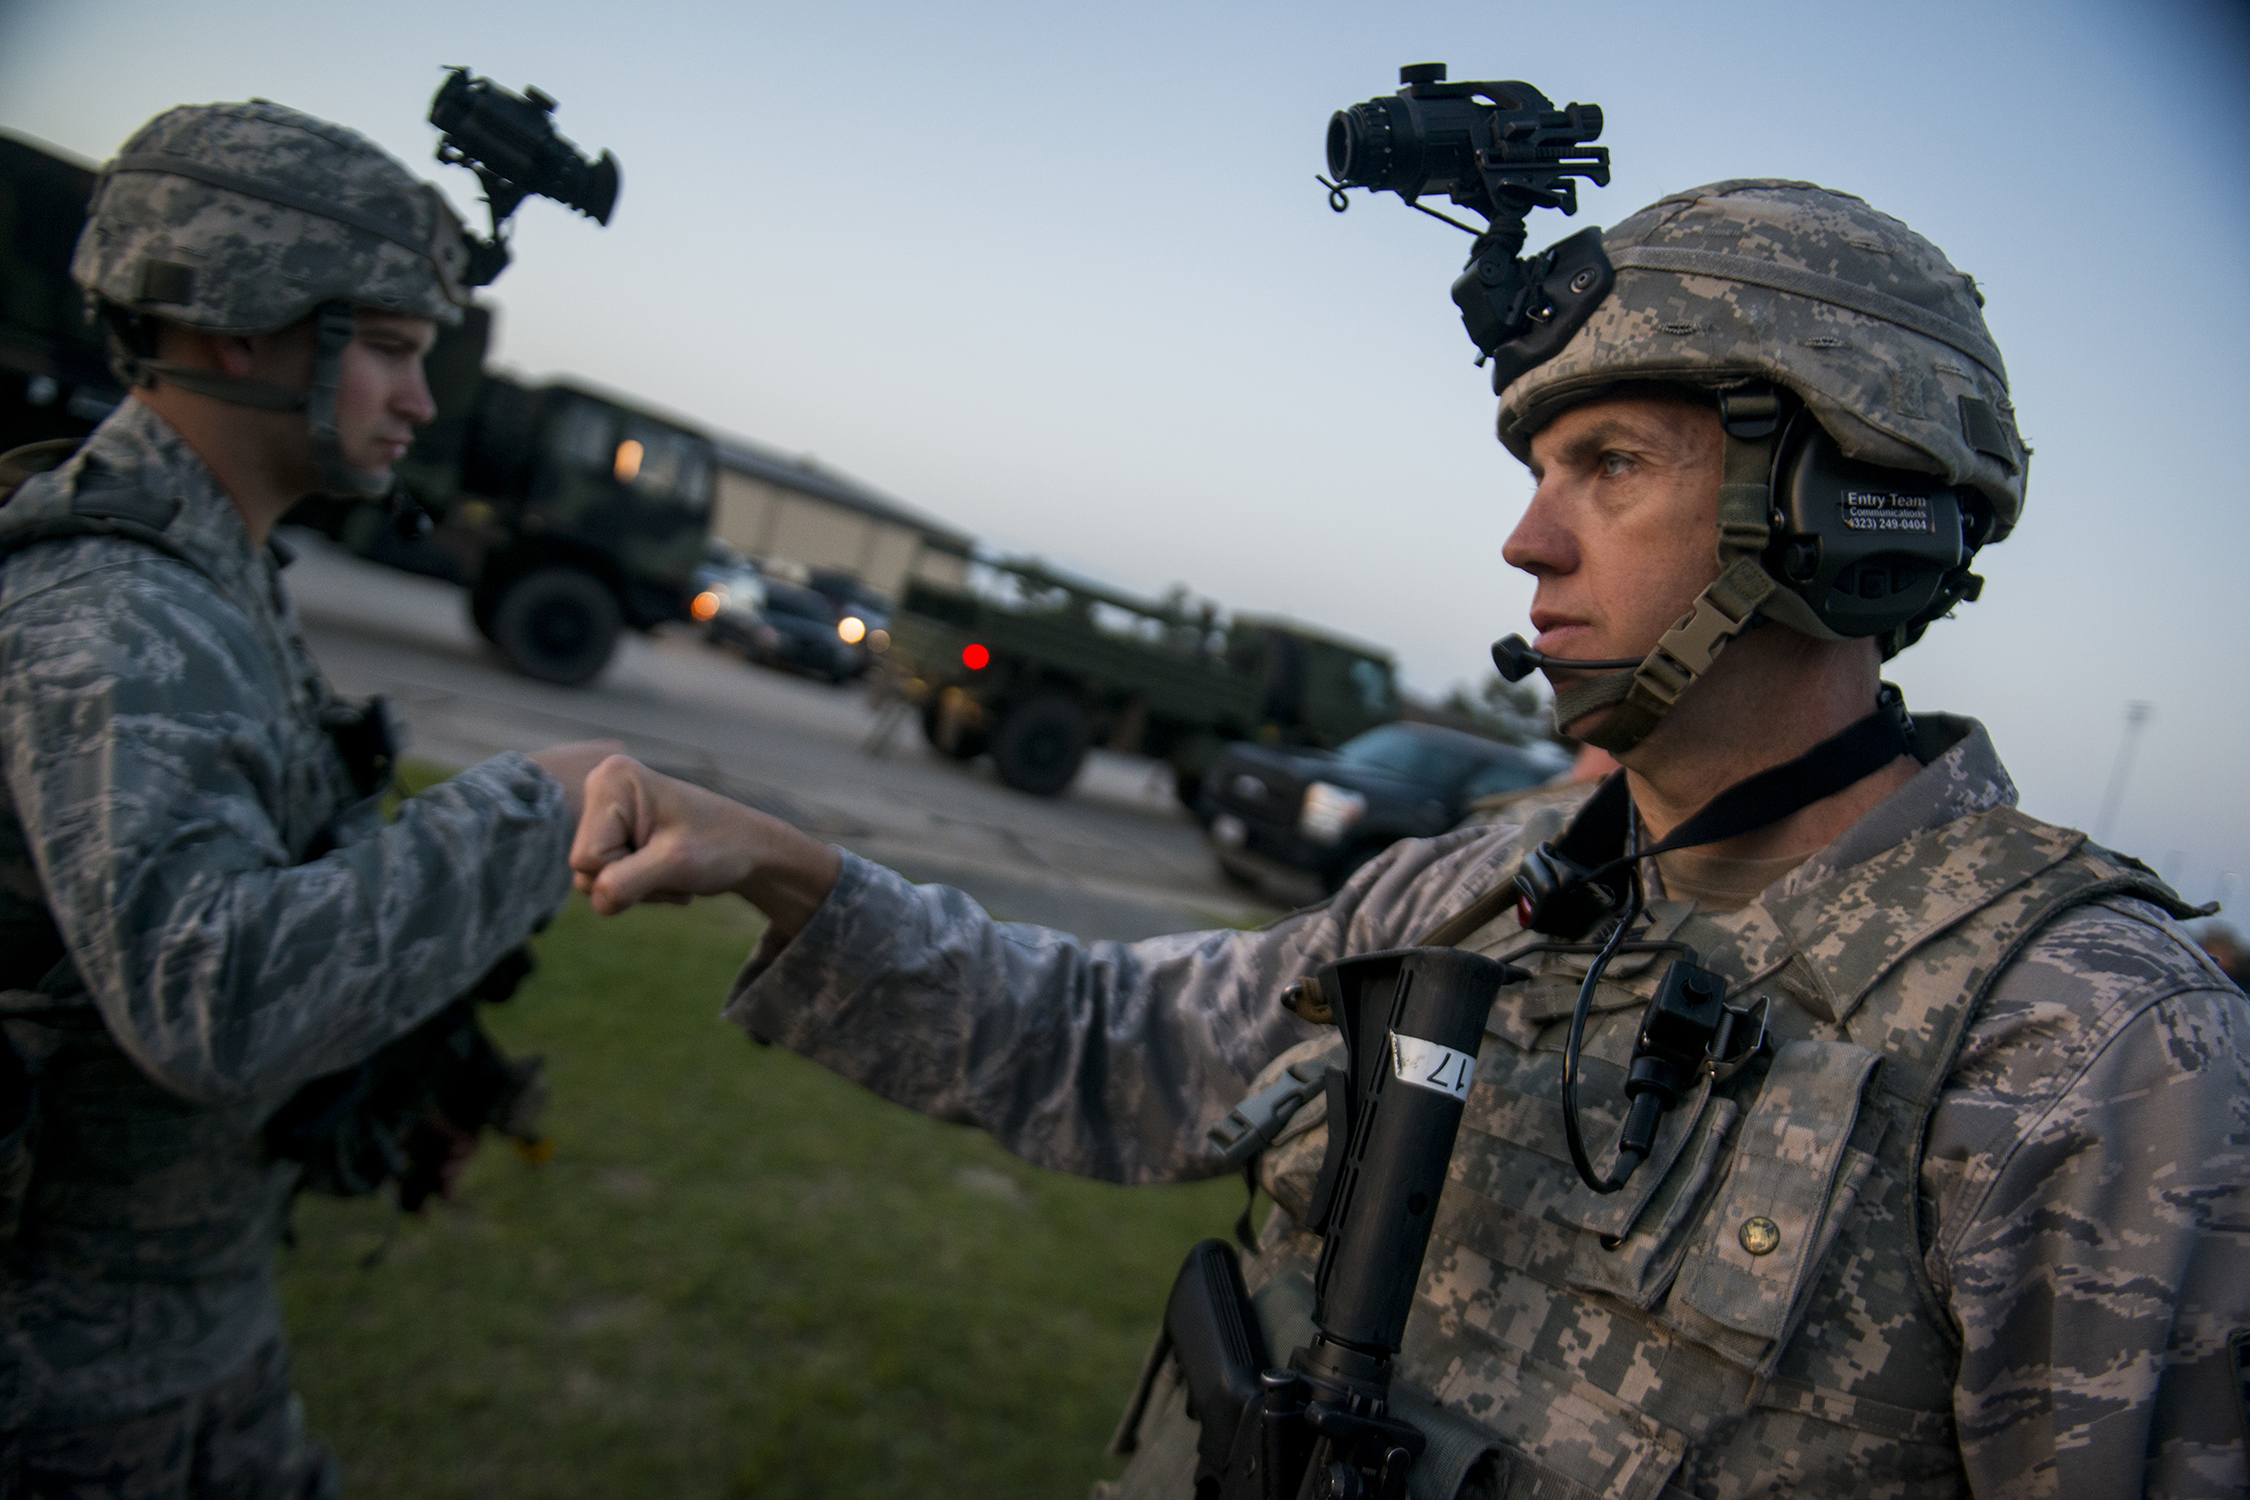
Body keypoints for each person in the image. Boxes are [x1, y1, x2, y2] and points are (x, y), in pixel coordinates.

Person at [567, 180, 2250, 1496]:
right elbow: (1124, 1050)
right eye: (1538, 466)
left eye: (1607, 465)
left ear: (1839, 518)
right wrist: (790, 868)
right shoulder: (1486, 881)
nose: (1526, 540)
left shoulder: (2095, 1045)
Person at [0, 101, 615, 1497]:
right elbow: (212, 998)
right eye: (393, 351)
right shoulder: (113, 615)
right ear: (241, 328)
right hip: (65, 1400)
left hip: (194, 1337)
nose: (419, 402)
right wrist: (534, 804)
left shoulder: (213, 585)